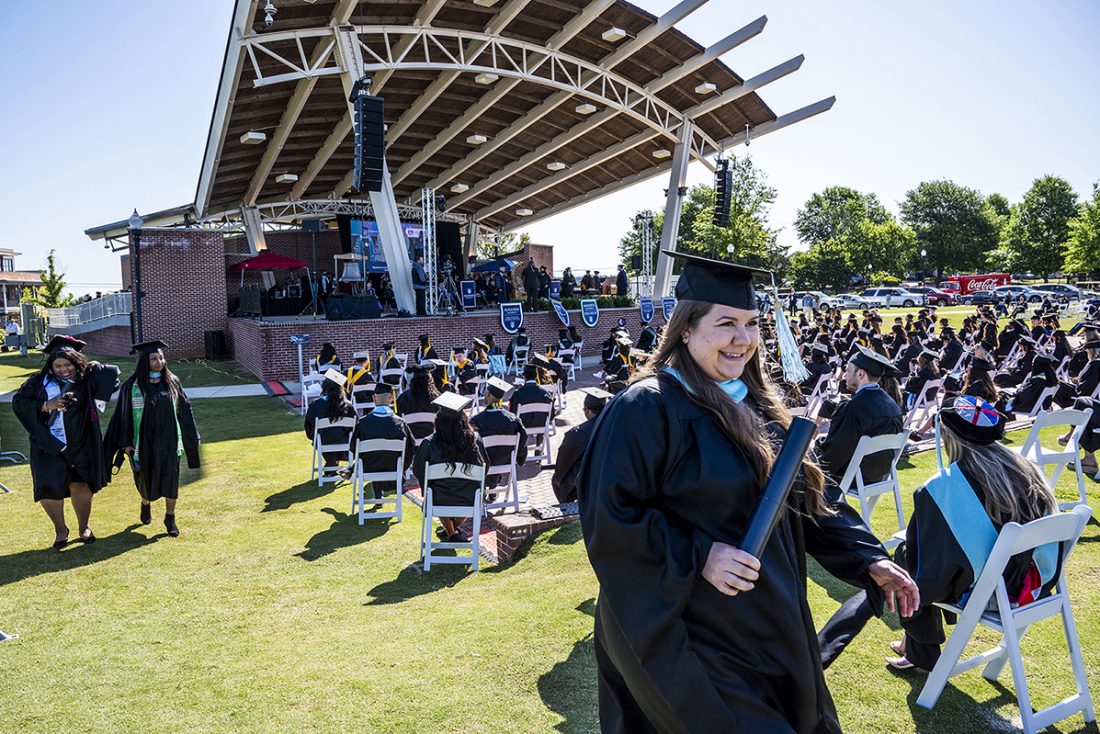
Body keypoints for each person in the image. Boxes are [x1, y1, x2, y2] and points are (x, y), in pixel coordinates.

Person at [578, 253, 918, 733]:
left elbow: (808, 498)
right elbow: (610, 519)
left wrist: (867, 557)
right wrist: (699, 554)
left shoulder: (755, 403)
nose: (743, 339)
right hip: (685, 629)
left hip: (763, 620)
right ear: (686, 330)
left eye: (752, 324)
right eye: (726, 323)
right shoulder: (647, 408)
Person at [879, 397, 1057, 670]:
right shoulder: (1025, 470)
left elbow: (931, 580)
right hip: (1034, 582)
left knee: (906, 557)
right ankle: (913, 645)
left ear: (948, 437)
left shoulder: (943, 488)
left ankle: (920, 649)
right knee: (918, 555)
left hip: (993, 592)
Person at [12, 336, 120, 548]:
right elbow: (19, 403)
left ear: (76, 363)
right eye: (58, 366)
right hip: (48, 443)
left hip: (81, 442)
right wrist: (46, 405)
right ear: (50, 366)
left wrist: (95, 367)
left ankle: (84, 527)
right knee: (48, 486)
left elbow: (113, 378)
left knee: (81, 483)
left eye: (68, 365)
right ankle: (61, 529)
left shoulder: (86, 380)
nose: (63, 370)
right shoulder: (38, 382)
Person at [102, 340, 200, 536]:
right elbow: (123, 416)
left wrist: (192, 438)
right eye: (154, 358)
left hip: (170, 442)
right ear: (144, 361)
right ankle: (145, 502)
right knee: (145, 482)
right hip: (142, 444)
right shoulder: (132, 386)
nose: (159, 362)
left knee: (171, 480)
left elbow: (185, 411)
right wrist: (125, 444)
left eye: (161, 358)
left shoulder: (172, 382)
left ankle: (170, 518)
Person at [816, 346, 905, 485]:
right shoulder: (892, 404)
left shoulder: (854, 408)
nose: (844, 375)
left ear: (860, 374)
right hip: (878, 474)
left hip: (852, 476)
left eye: (848, 370)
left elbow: (833, 457)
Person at [413, 392, 489, 543]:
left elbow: (418, 470)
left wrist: (428, 486)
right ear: (463, 418)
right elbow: (485, 467)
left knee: (435, 490)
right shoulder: (475, 440)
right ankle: (452, 532)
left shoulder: (429, 443)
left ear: (438, 421)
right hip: (469, 499)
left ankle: (451, 532)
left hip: (438, 498)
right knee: (470, 490)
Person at [349, 383, 416, 502]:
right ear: (391, 398)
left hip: (368, 469)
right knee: (385, 457)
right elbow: (411, 449)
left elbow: (354, 448)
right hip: (393, 468)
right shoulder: (400, 424)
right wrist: (401, 468)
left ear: (374, 398)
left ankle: (378, 495)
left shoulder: (363, 423)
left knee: (375, 457)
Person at [471, 377, 527, 500]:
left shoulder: (476, 421)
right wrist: (519, 457)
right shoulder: (512, 420)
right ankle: (493, 488)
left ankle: (484, 489)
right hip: (505, 461)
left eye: (486, 393)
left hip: (483, 465)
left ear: (489, 395)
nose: (485, 395)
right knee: (498, 452)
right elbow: (522, 439)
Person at [551, 387, 610, 503]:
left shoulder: (577, 434)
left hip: (583, 485)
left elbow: (561, 468)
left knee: (557, 480)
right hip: (609, 480)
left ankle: (569, 508)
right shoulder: (614, 428)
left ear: (587, 410)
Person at [302, 369, 356, 472]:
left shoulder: (316, 405)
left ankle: (331, 462)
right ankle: (333, 462)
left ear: (324, 387)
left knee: (326, 435)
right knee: (341, 435)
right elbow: (355, 427)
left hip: (323, 442)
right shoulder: (348, 406)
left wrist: (313, 437)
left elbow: (308, 426)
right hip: (344, 443)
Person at [396, 365, 440, 443]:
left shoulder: (403, 398)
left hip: (410, 442)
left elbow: (398, 419)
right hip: (432, 443)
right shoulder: (437, 398)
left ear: (413, 381)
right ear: (429, 381)